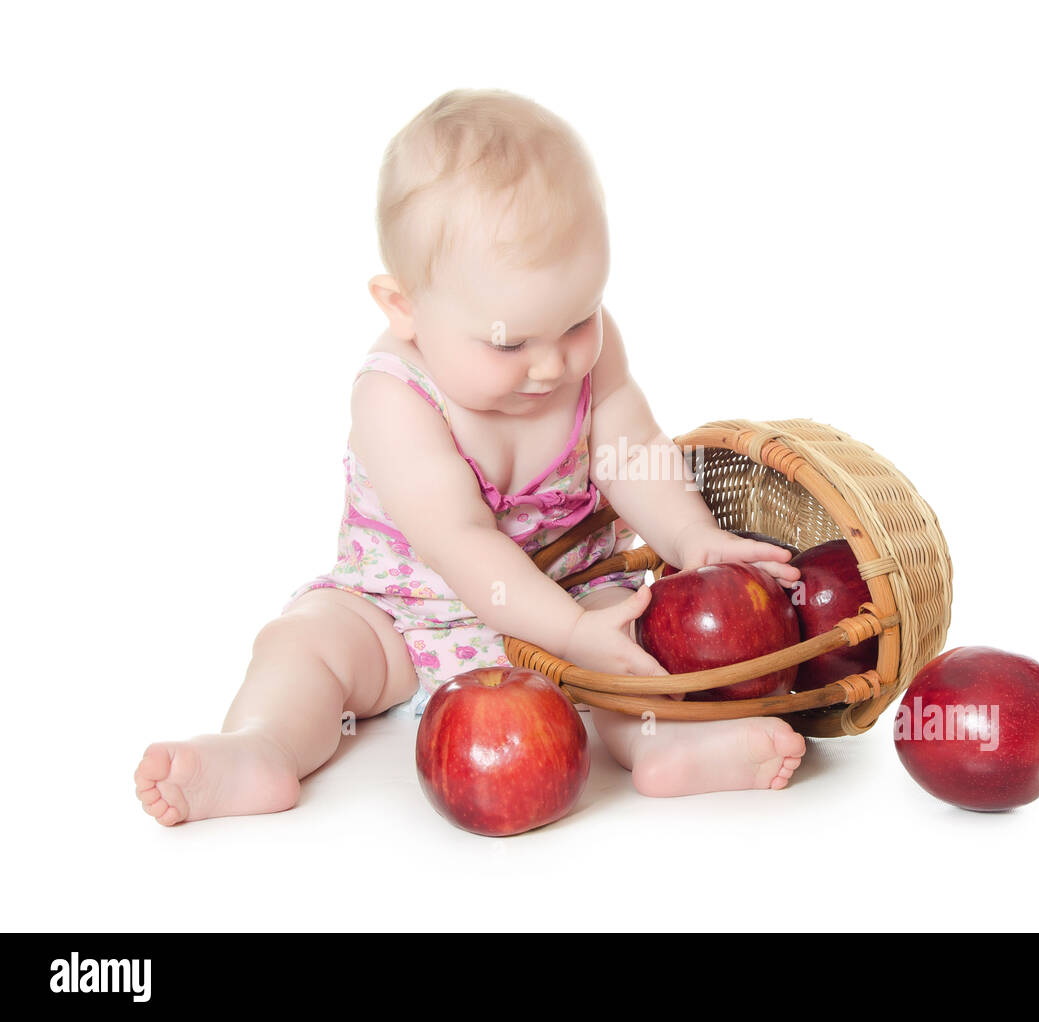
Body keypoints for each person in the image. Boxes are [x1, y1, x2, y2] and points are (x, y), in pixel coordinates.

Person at [135, 88, 806, 826]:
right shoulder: (395, 395)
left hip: (575, 590)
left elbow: (635, 452)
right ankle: (260, 749)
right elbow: (459, 540)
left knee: (634, 646)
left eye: (578, 319)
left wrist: (690, 540)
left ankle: (661, 750)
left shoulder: (589, 353)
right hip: (398, 620)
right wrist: (569, 635)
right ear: (405, 309)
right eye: (510, 342)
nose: (553, 367)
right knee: (306, 643)